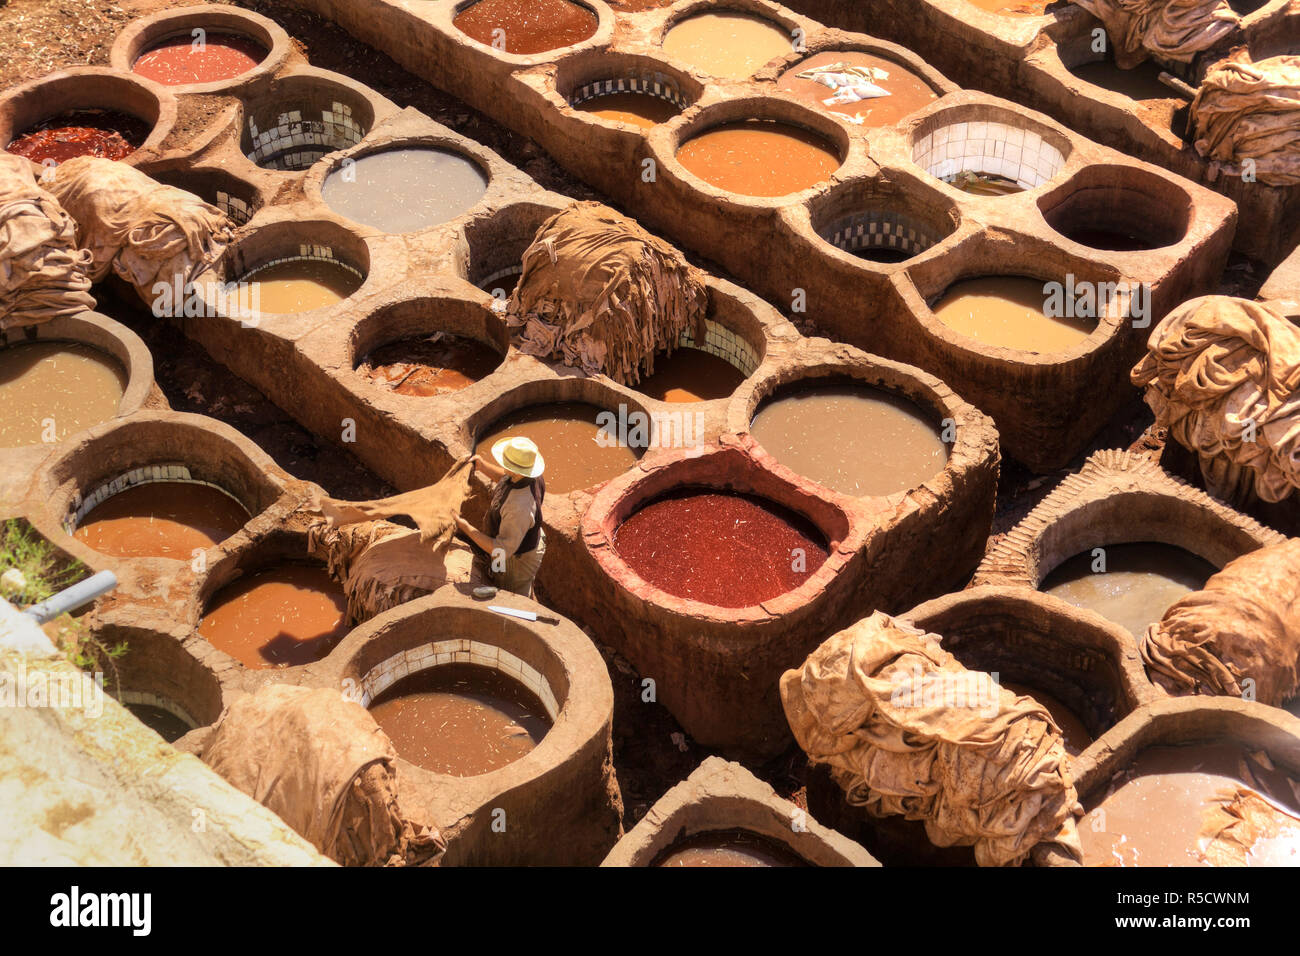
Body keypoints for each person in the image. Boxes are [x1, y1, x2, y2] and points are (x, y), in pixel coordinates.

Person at [456, 436, 546, 598]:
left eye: (506, 462)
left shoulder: (518, 507)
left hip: (514, 560)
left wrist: (465, 527)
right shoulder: (527, 476)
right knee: (502, 575)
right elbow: (505, 478)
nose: (502, 464)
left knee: (511, 592)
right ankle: (511, 584)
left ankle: (521, 610)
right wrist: (482, 466)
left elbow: (501, 550)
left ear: (516, 470)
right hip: (516, 544)